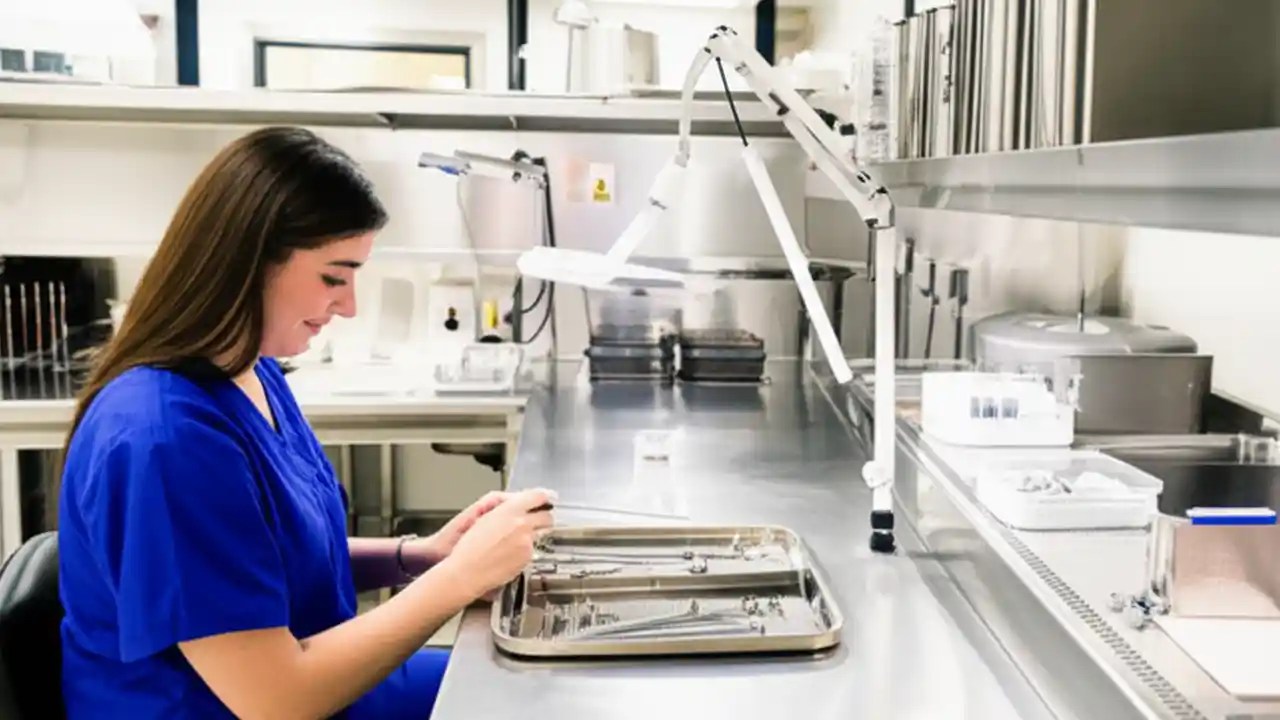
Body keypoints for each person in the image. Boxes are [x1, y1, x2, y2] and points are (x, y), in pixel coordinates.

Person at [56, 126, 554, 719]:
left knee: (533, 690)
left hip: (312, 675)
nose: (350, 305)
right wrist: (462, 580)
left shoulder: (251, 371)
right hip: (237, 704)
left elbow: (264, 557)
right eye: (332, 276)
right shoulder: (165, 440)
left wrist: (420, 556)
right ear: (246, 261)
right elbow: (277, 701)